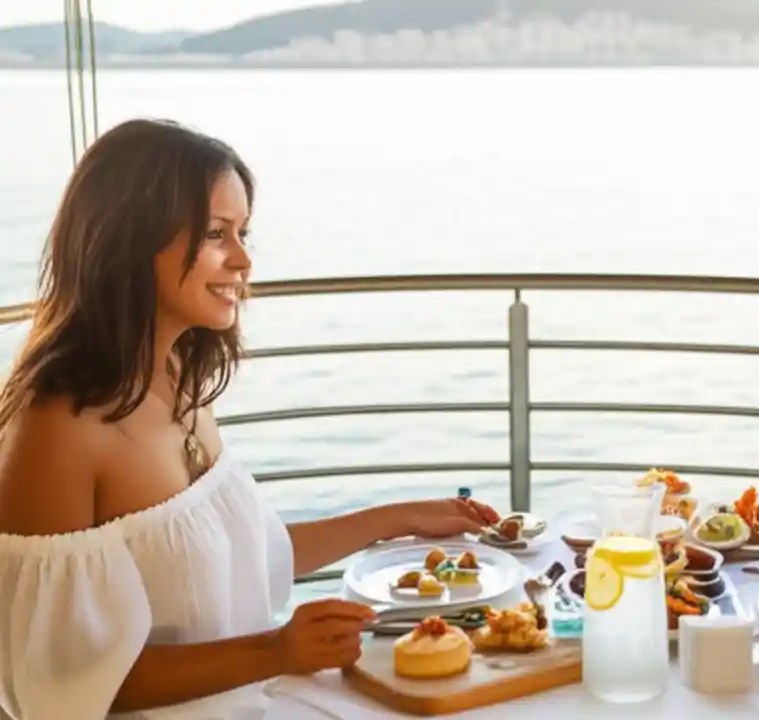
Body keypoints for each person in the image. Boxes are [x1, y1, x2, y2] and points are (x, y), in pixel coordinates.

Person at [0, 118, 502, 719]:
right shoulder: (56, 430)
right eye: (216, 233)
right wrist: (276, 650)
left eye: (242, 233)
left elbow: (244, 560)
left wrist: (400, 518)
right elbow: (59, 681)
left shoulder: (179, 379)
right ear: (129, 239)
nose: (242, 260)